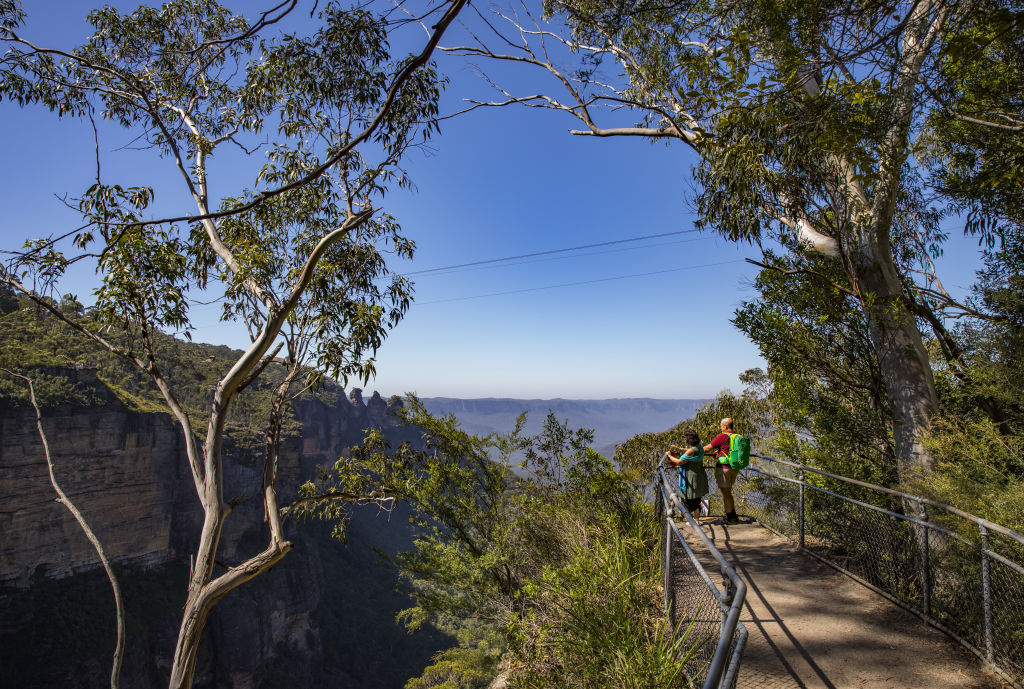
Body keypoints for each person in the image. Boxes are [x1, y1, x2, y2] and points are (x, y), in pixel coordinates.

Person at [662, 429, 708, 514]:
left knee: (689, 499)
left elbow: (679, 461)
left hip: (691, 478)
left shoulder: (692, 450)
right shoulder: (699, 446)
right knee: (696, 498)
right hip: (699, 474)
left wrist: (669, 456)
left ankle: (695, 518)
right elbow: (689, 451)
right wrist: (679, 449)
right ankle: (697, 518)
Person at [705, 417, 741, 524]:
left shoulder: (722, 436)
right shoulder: (737, 436)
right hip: (734, 468)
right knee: (728, 492)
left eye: (721, 425)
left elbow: (708, 448)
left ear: (725, 426)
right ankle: (731, 515)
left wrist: (693, 451)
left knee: (726, 493)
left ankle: (731, 517)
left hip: (724, 468)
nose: (720, 427)